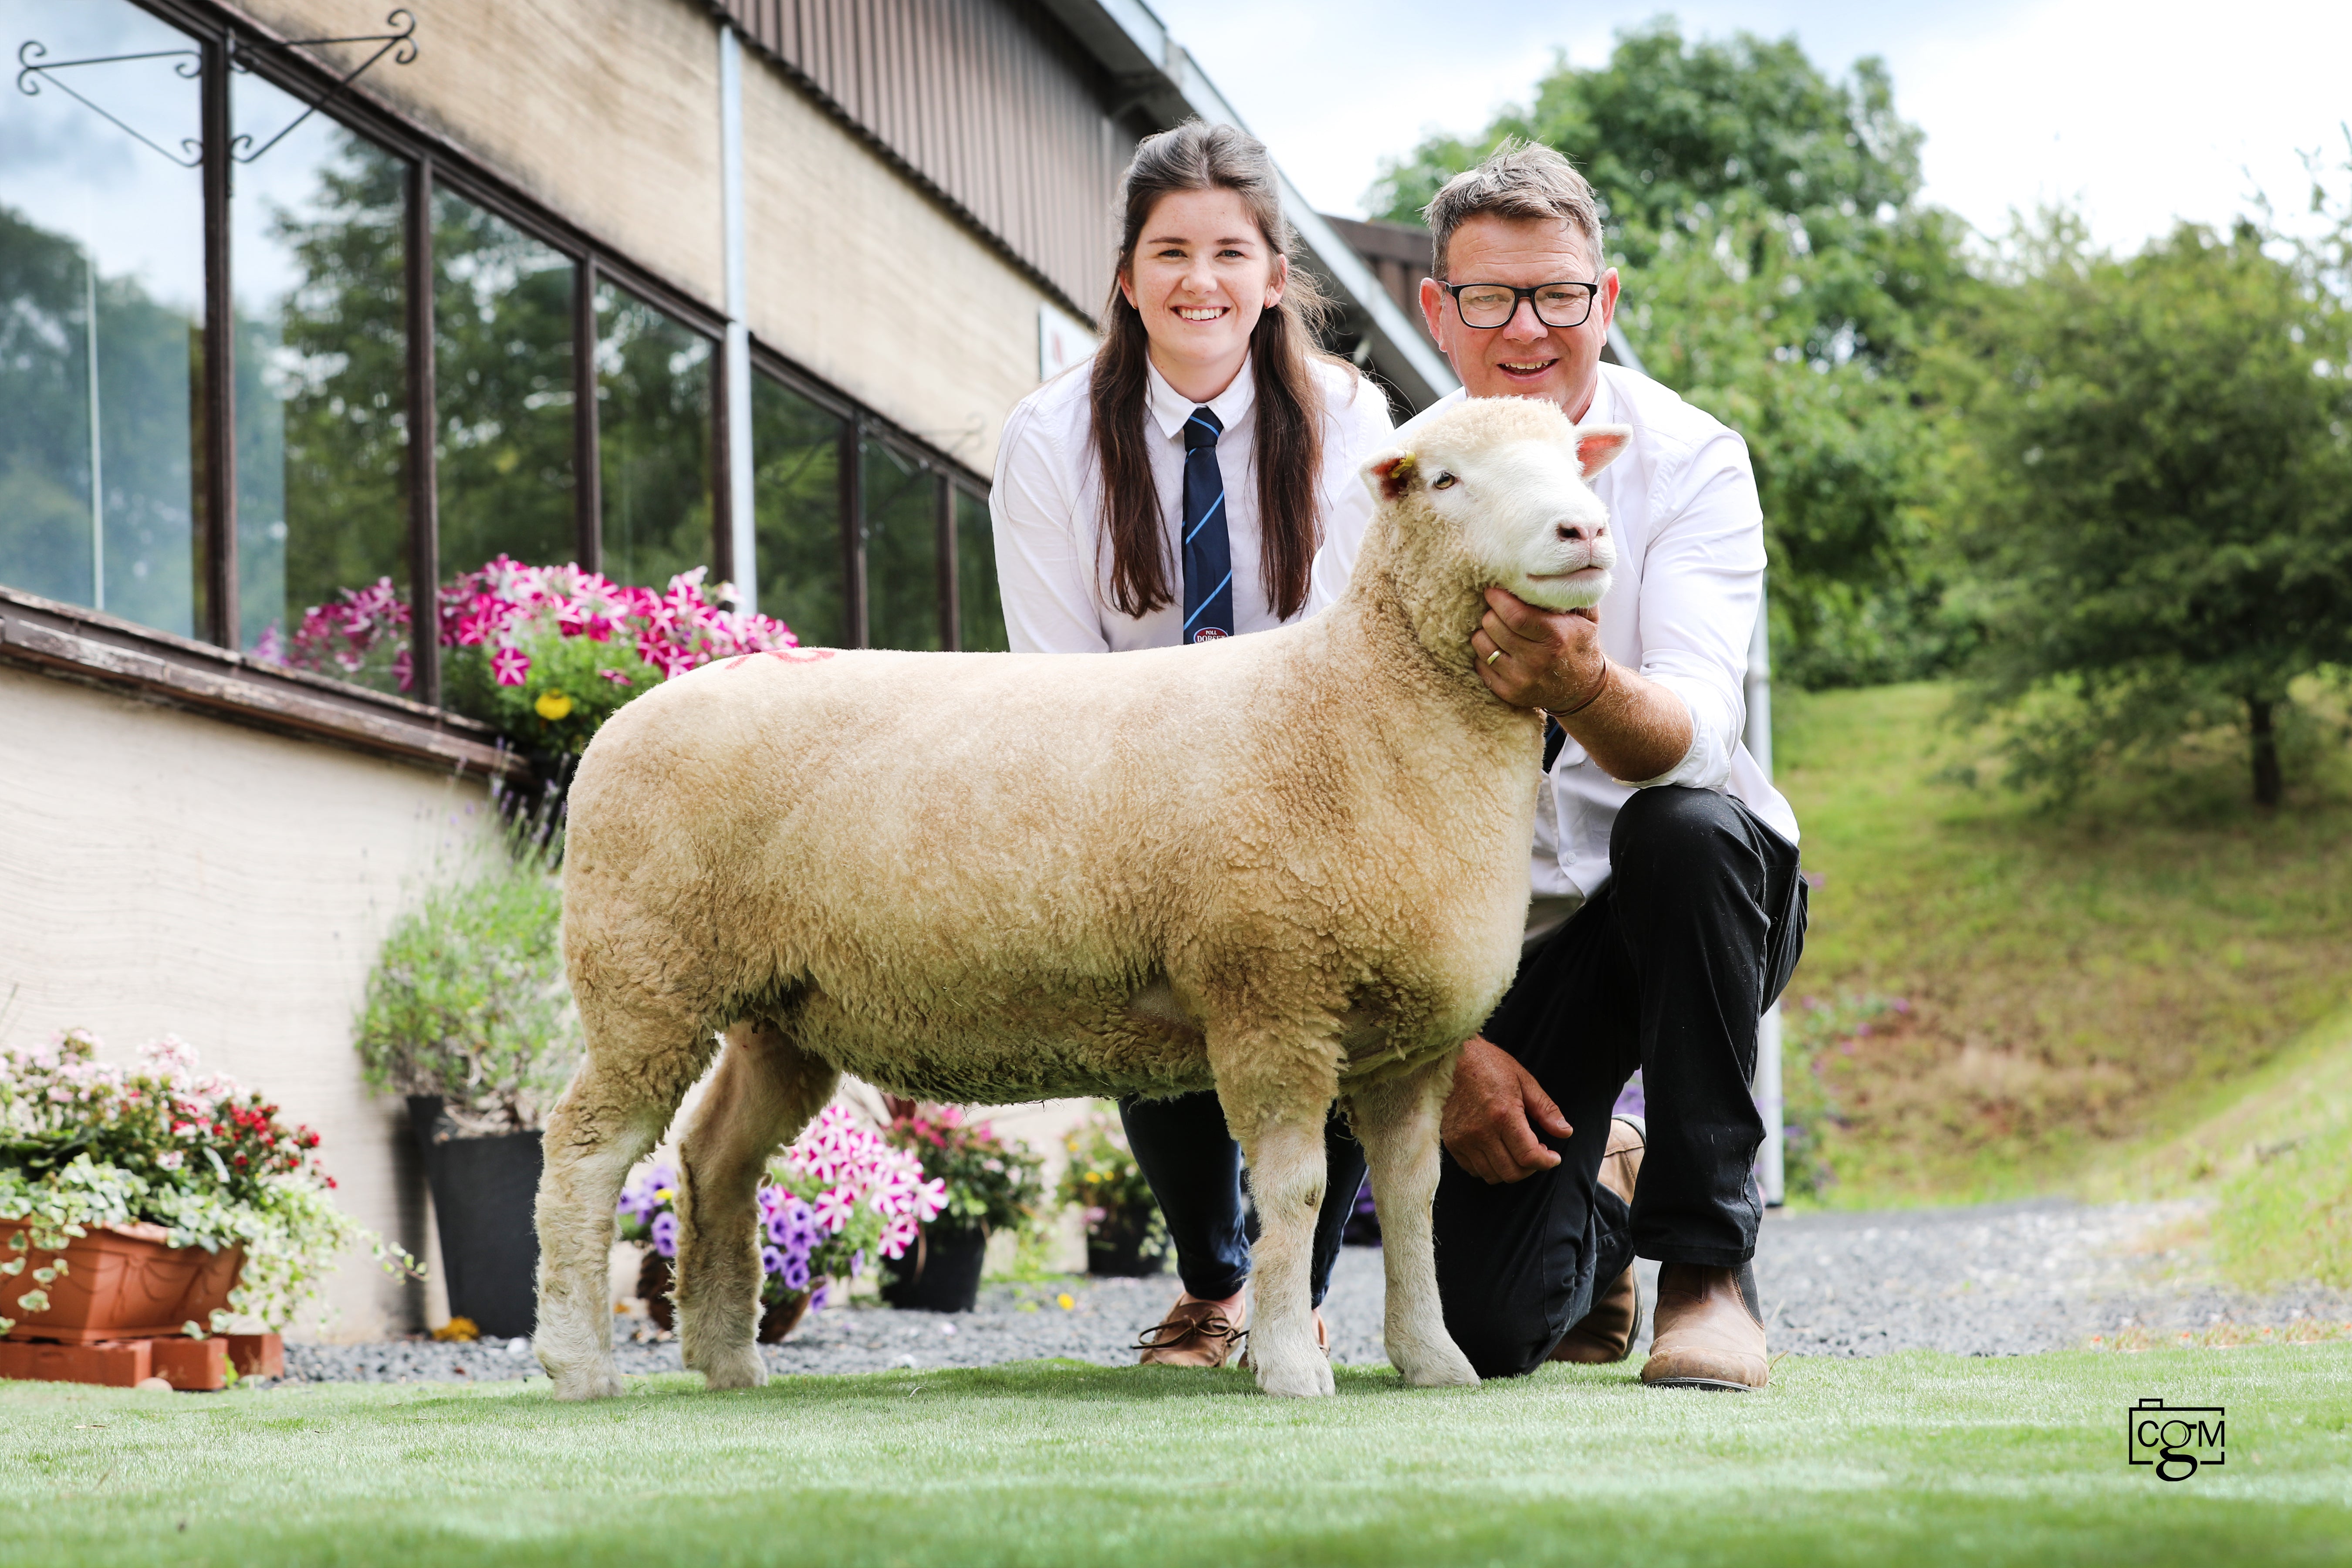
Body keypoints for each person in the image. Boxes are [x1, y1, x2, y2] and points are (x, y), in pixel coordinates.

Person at [1311, 139, 1806, 1388]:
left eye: (1559, 295)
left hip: (1699, 903)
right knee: (1489, 1329)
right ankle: (1609, 1196)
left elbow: (1693, 739)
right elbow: (1335, 789)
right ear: (1439, 309)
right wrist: (1444, 1046)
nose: (1527, 328)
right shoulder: (1379, 487)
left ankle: (1708, 1274)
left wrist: (1575, 686)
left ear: (1607, 301)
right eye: (1490, 296)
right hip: (1496, 950)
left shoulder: (1693, 461)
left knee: (1681, 825)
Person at [989, 120, 1395, 1367]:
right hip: (1133, 784)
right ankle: (1218, 1279)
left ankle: (1297, 1290)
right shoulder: (1051, 437)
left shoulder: (1351, 420)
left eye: (1231, 251)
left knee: (1316, 992)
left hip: (1310, 777)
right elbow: (1057, 680)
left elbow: (1354, 653)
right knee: (1153, 990)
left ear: (1276, 274)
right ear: (1125, 274)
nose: (1199, 281)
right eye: (1169, 252)